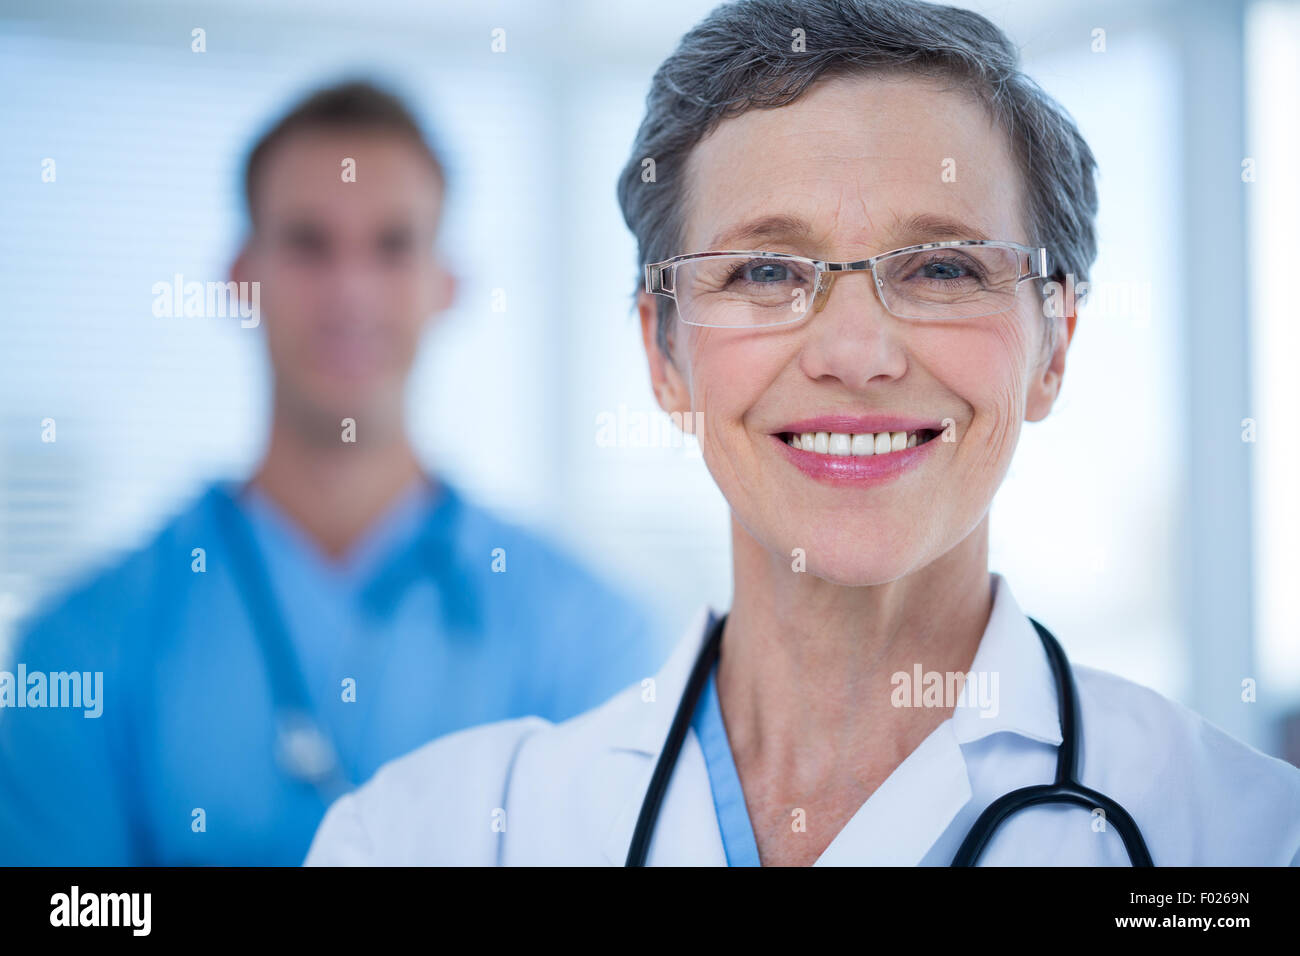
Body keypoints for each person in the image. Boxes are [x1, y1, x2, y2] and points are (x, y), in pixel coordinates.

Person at [304, 0, 1300, 867]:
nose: (856, 351)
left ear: (1053, 346)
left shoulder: (1244, 834)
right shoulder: (428, 836)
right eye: (766, 273)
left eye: (943, 268)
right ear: (663, 355)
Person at [0, 80, 667, 865]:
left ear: (443, 285)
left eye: (392, 246)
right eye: (310, 243)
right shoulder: (76, 649)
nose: (350, 291)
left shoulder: (589, 638)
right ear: (240, 276)